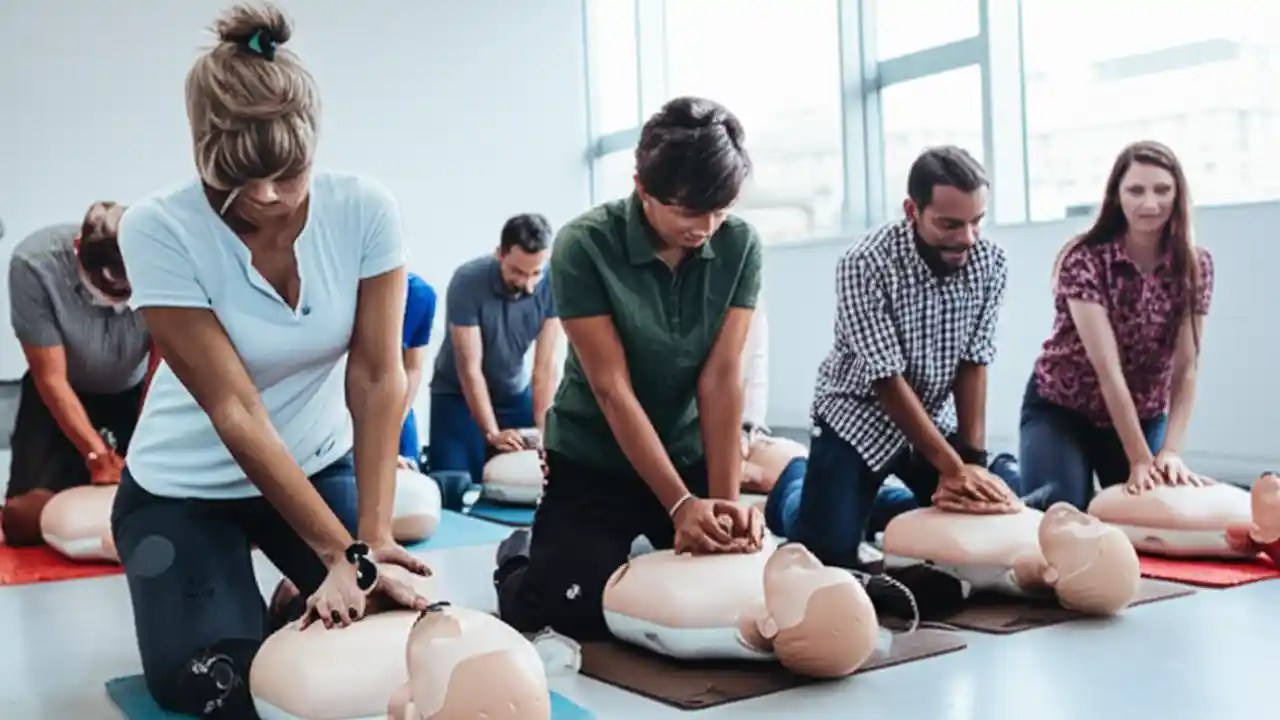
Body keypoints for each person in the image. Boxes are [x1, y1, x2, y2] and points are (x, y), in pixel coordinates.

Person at [109, 5, 428, 715]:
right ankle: (259, 604)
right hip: (180, 490)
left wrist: (369, 545)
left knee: (406, 633)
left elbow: (378, 375)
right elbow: (236, 407)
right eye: (237, 177)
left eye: (287, 172)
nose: (265, 196)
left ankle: (292, 596)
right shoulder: (158, 228)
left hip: (315, 463)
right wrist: (337, 553)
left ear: (314, 142)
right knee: (211, 678)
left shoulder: (366, 210)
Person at [493, 96, 765, 641]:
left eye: (720, 210)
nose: (706, 228)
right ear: (642, 186)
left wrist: (723, 504)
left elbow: (721, 378)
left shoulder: (740, 245)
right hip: (595, 457)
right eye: (690, 212)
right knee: (566, 614)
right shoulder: (583, 244)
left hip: (685, 448)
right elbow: (611, 387)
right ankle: (520, 554)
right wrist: (681, 504)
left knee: (730, 599)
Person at [764, 146, 1019, 570]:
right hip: (857, 414)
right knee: (828, 550)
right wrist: (953, 470)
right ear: (911, 210)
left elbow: (974, 362)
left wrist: (970, 463)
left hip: (932, 417)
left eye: (977, 221)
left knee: (978, 509)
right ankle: (794, 481)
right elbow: (886, 379)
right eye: (950, 224)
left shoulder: (990, 261)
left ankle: (876, 499)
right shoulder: (864, 263)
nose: (967, 238)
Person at [1017, 140, 1214, 511]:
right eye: (1136, 190)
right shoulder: (1085, 258)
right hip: (1063, 408)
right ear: (1117, 196)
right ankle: (1016, 479)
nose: (1150, 203)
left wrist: (1169, 451)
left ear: (1178, 195)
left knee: (1151, 511)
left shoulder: (1195, 266)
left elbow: (1187, 367)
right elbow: (1107, 370)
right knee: (1061, 510)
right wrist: (1140, 459)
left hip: (1142, 412)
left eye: (1162, 190)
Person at [1, 202, 151, 546]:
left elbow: (166, 358)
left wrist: (150, 432)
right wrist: (96, 454)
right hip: (62, 391)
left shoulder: (161, 257)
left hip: (135, 390)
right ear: (79, 252)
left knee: (162, 491)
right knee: (19, 521)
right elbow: (50, 377)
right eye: (108, 289)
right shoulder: (34, 265)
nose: (117, 303)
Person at [426, 213, 561, 485]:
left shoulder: (553, 283)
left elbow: (545, 368)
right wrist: (491, 433)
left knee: (539, 476)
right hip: (457, 395)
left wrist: (543, 430)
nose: (528, 283)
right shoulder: (467, 281)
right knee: (456, 483)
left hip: (512, 394)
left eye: (536, 273)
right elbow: (469, 368)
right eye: (518, 272)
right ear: (500, 254)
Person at [398, 272, 437, 469]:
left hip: (394, 398)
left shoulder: (420, 296)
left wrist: (393, 424)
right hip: (344, 402)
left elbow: (412, 368)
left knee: (409, 470)